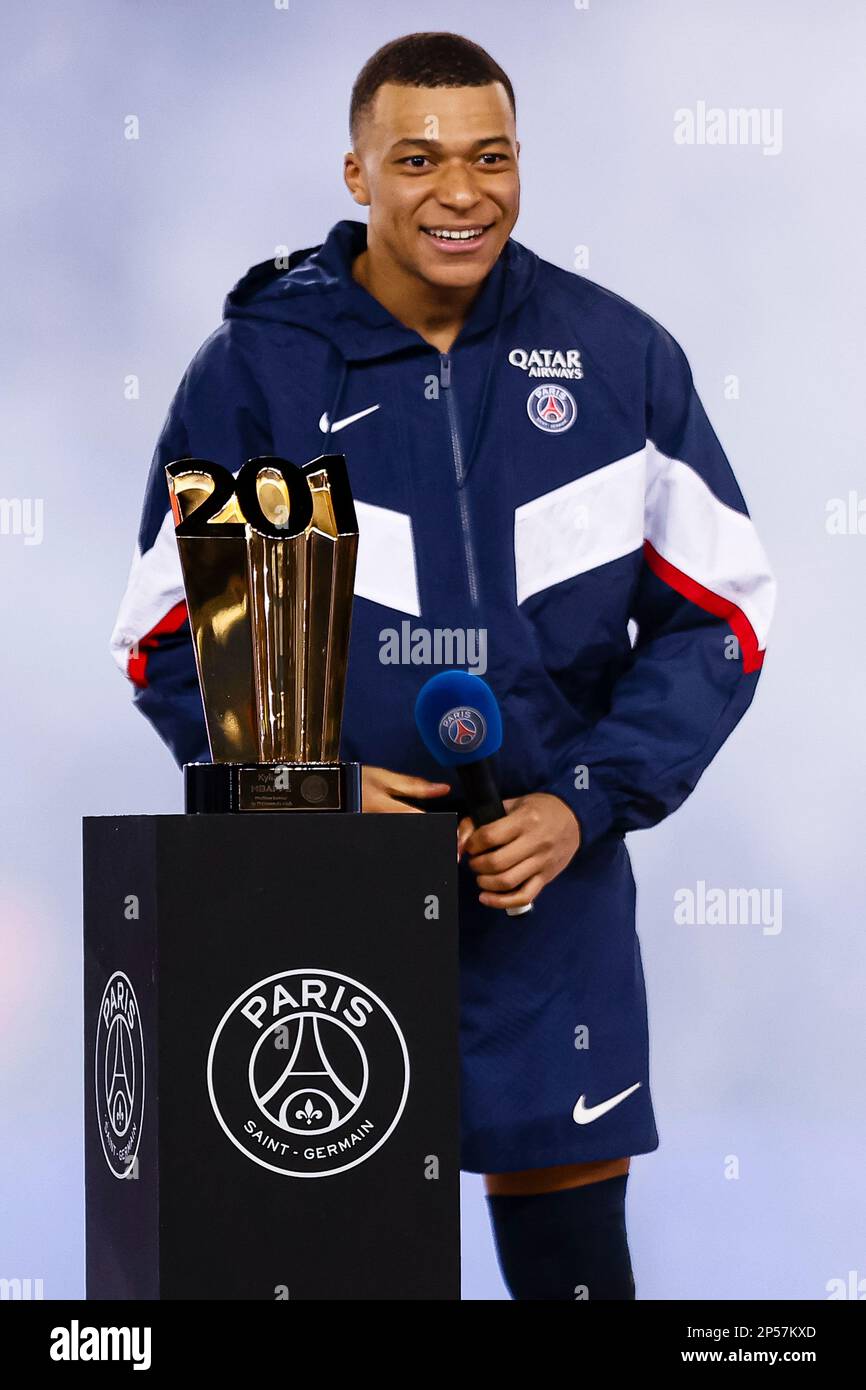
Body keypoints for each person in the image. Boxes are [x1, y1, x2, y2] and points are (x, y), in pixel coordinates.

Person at [110, 31, 776, 1300]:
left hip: (544, 906)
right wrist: (313, 794)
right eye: (416, 159)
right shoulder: (265, 369)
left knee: (574, 1277)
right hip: (322, 906)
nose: (458, 192)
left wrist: (577, 806)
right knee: (328, 1272)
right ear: (356, 173)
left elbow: (721, 620)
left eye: (489, 157)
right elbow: (170, 640)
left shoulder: (613, 360)